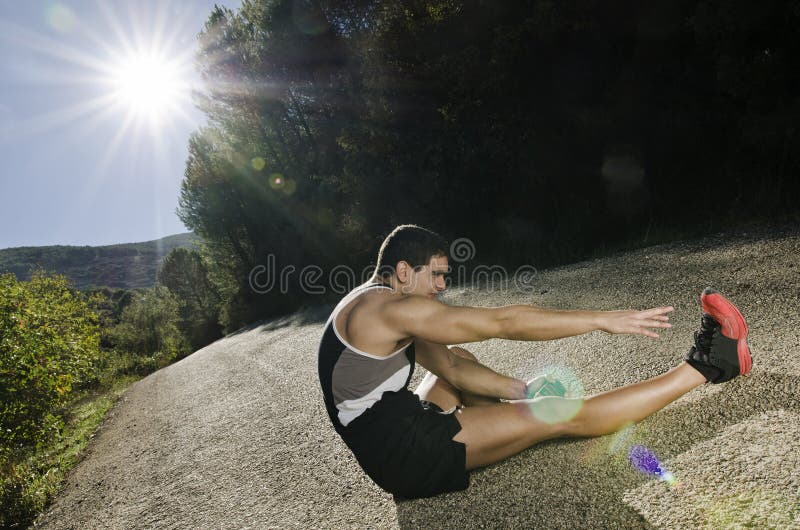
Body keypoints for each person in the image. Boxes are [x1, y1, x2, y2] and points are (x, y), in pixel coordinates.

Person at [317, 224, 752, 499]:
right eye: (436, 275)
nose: (442, 285)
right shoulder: (386, 310)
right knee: (557, 415)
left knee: (459, 357)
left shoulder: (369, 303)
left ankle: (505, 418)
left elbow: (449, 369)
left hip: (393, 429)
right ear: (404, 271)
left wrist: (521, 389)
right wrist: (601, 319)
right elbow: (505, 322)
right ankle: (710, 364)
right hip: (407, 456)